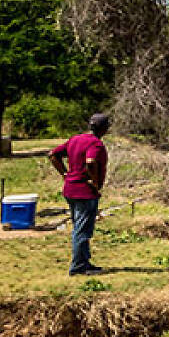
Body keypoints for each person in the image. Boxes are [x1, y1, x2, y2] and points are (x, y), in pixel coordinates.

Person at [48, 112, 109, 276]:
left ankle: (85, 262)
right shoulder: (95, 144)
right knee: (82, 230)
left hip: (70, 190)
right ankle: (78, 267)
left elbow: (53, 154)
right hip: (84, 192)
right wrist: (95, 183)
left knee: (79, 227)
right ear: (104, 129)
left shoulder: (75, 139)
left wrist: (65, 174)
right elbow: (90, 162)